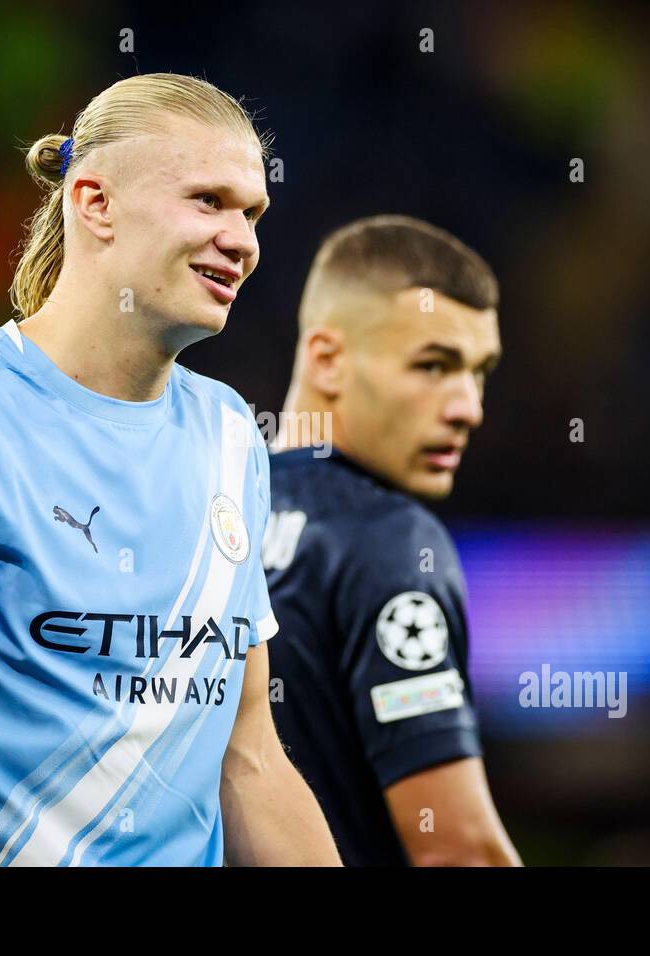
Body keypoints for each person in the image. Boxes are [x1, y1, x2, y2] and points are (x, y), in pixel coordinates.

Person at [0, 73, 340, 867]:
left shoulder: (233, 432)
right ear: (94, 202)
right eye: (208, 201)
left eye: (252, 212)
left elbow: (251, 758)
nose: (243, 240)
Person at [264, 215, 522, 866]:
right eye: (434, 365)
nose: (469, 407)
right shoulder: (390, 542)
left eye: (479, 372)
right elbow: (458, 852)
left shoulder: (203, 510)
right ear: (327, 359)